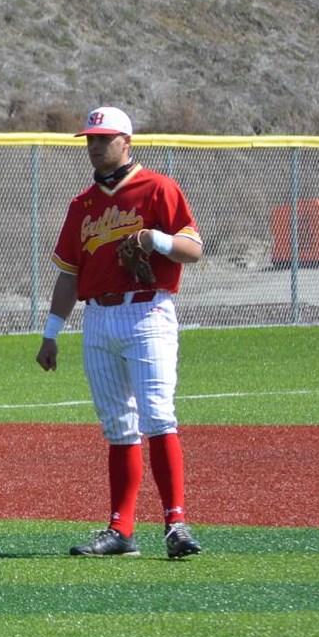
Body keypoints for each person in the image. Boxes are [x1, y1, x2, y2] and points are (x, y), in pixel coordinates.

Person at [36, 106, 205, 559]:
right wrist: (52, 332)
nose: (94, 146)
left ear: (126, 142)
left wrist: (156, 240)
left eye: (103, 138)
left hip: (148, 312)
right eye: (90, 139)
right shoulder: (82, 205)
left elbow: (194, 248)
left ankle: (176, 525)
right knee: (118, 426)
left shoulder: (158, 188)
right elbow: (69, 274)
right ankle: (121, 531)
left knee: (157, 415)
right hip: (98, 318)